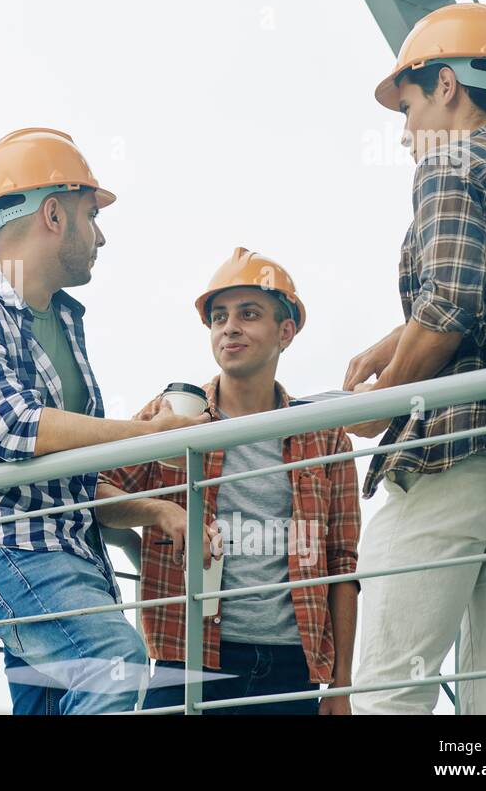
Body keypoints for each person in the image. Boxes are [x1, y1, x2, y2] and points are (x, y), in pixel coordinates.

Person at [0, 127, 209, 714]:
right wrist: (148, 436)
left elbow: (66, 475)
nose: (101, 235)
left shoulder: (64, 321)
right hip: (2, 544)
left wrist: (151, 508)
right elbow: (18, 428)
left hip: (65, 550)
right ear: (53, 214)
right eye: (91, 215)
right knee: (117, 670)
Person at [96, 248, 360, 714]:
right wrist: (162, 512)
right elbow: (91, 491)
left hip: (293, 669)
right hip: (188, 660)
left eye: (248, 314)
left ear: (286, 331)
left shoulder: (326, 434)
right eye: (219, 317)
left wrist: (339, 688)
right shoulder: (173, 415)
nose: (229, 327)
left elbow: (343, 563)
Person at [343, 3, 486, 714]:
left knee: (387, 689)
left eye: (406, 108)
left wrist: (383, 401)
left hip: (450, 454)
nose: (404, 134)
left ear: (447, 87)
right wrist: (390, 342)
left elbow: (450, 304)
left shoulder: (450, 162)